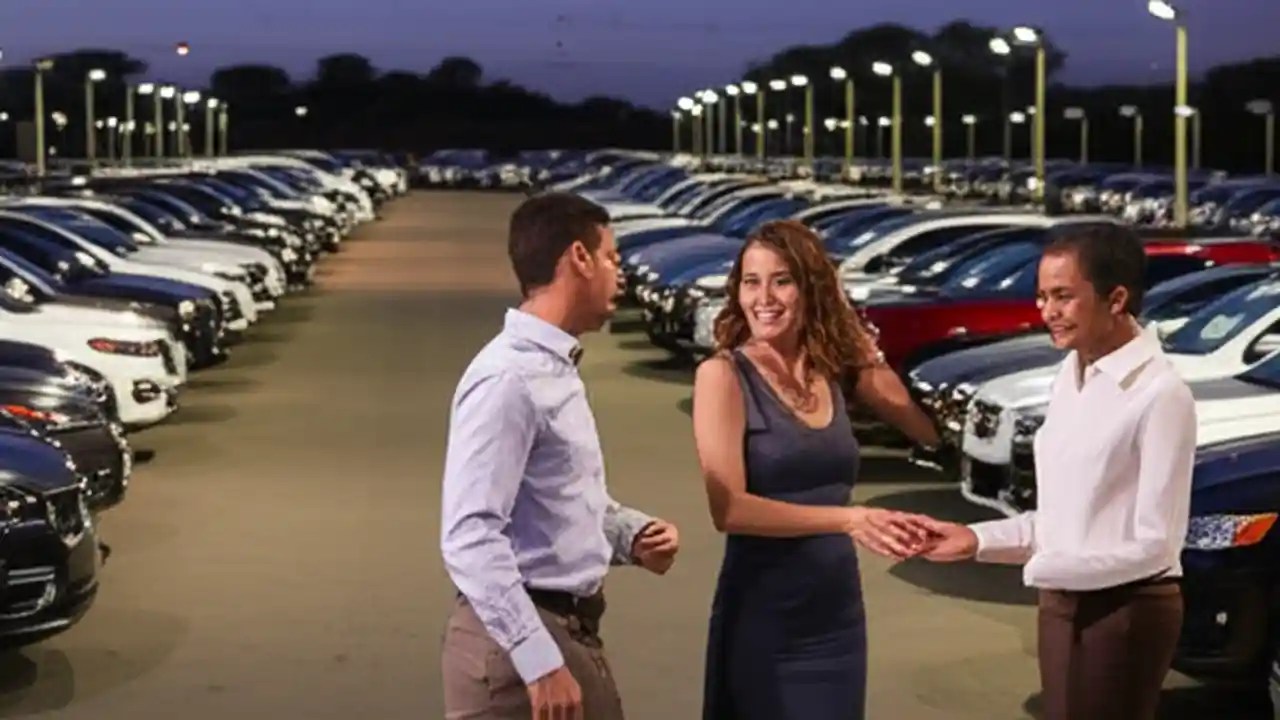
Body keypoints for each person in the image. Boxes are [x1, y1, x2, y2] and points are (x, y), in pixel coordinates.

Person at [919, 224, 1196, 720]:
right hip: (1062, 600)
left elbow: (1157, 546)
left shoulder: (1161, 394)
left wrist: (1044, 567)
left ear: (1116, 298)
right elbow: (1061, 519)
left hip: (1125, 613)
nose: (1046, 311)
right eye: (1042, 296)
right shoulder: (1071, 375)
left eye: (1063, 296)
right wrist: (974, 539)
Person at [440, 192, 681, 720]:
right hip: (520, 643)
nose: (620, 274)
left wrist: (629, 533)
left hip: (562, 629)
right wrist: (538, 662)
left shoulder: (552, 370)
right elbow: (470, 534)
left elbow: (557, 498)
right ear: (579, 257)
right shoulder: (511, 379)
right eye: (612, 258)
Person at [691, 219, 942, 720]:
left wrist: (857, 340)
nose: (765, 297)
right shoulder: (723, 376)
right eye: (751, 281)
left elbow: (924, 431)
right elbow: (729, 510)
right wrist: (847, 519)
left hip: (836, 615)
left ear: (813, 288)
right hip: (764, 618)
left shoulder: (834, 369)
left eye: (782, 280)